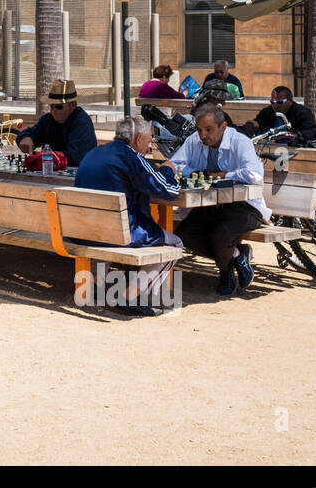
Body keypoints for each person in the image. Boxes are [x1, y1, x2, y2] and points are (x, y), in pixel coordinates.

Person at [75, 116, 182, 315]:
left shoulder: (93, 153)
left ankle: (98, 288)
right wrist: (168, 169)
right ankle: (130, 296)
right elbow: (168, 190)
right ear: (138, 138)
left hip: (87, 231)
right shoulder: (132, 157)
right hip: (120, 234)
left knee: (105, 230)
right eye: (148, 141)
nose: (149, 147)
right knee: (175, 244)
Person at [170, 103, 269, 297]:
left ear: (223, 127)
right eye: (199, 130)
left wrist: (223, 175)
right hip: (210, 204)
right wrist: (199, 173)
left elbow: (255, 174)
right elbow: (176, 164)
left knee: (221, 236)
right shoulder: (194, 141)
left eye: (209, 130)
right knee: (184, 235)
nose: (203, 135)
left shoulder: (240, 142)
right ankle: (237, 255)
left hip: (246, 206)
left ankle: (225, 273)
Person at [17, 78, 97, 167]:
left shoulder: (82, 123)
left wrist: (43, 157)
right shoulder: (48, 120)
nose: (54, 111)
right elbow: (30, 133)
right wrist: (26, 137)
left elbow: (75, 157)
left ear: (73, 105)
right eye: (52, 106)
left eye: (59, 107)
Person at [244, 86, 316, 143]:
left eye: (279, 102)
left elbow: (314, 131)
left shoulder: (302, 112)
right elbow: (257, 124)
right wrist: (252, 125)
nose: (275, 106)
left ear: (290, 101)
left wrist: (295, 135)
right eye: (272, 102)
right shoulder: (267, 112)